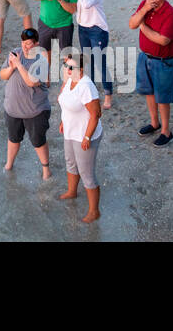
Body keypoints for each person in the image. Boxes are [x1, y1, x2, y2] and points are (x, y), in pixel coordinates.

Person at [130, 0, 173, 147]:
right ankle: (154, 124)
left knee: (163, 98)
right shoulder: (145, 5)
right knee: (149, 92)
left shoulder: (170, 13)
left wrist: (142, 26)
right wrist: (144, 9)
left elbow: (163, 40)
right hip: (146, 57)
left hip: (164, 61)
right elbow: (132, 24)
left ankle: (166, 132)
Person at [57, 52, 103, 223]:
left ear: (81, 69)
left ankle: (94, 211)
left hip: (84, 134)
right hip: (70, 130)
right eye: (66, 66)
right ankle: (72, 191)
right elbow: (65, 103)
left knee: (86, 173)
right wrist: (63, 122)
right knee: (70, 162)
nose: (68, 69)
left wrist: (87, 137)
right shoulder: (70, 80)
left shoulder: (86, 86)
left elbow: (96, 114)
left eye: (72, 67)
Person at [0, 27, 51, 178]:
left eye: (28, 43)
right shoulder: (15, 53)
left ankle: (46, 169)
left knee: (38, 141)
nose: (25, 46)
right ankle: (9, 165)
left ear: (36, 44)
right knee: (13, 138)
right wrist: (11, 68)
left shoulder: (41, 59)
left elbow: (31, 82)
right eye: (23, 43)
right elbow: (2, 75)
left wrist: (19, 65)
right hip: (12, 109)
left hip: (35, 110)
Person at [72, 0, 113, 108]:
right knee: (89, 62)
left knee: (100, 63)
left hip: (97, 31)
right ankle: (92, 91)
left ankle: (108, 95)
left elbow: (86, 4)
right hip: (83, 30)